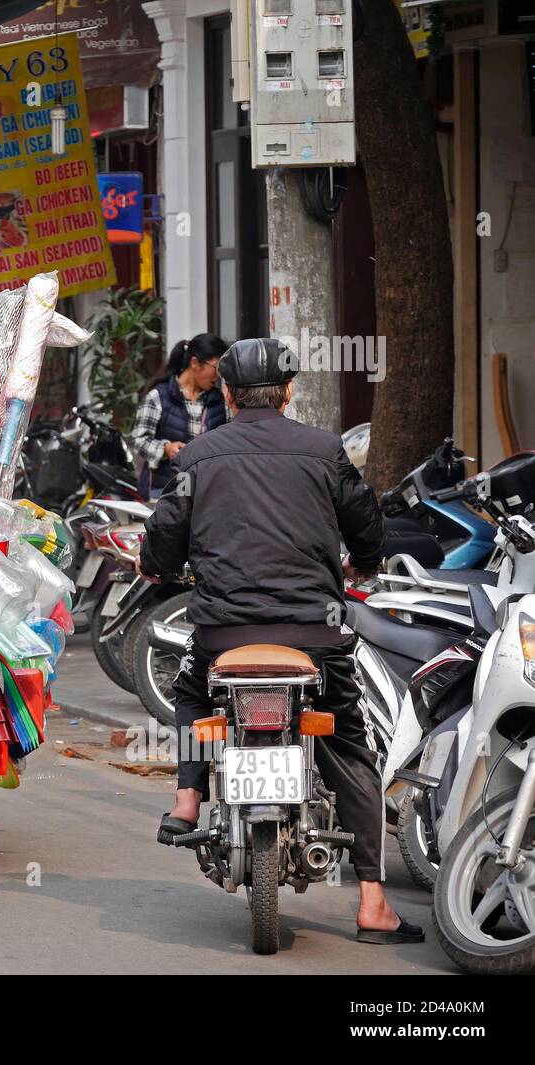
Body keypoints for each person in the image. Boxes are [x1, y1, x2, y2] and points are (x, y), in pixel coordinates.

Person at [138, 337, 422, 945]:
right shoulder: (325, 450)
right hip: (312, 634)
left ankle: (188, 797)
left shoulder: (199, 456)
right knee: (348, 745)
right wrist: (364, 565)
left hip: (222, 632)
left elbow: (162, 540)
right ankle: (373, 903)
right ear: (289, 391)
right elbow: (366, 527)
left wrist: (160, 567)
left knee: (191, 696)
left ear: (228, 394)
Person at [132, 334, 228, 498]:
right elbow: (139, 439)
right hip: (163, 491)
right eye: (216, 368)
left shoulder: (219, 401)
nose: (218, 375)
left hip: (204, 492)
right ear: (195, 363)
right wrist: (165, 448)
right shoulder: (159, 397)